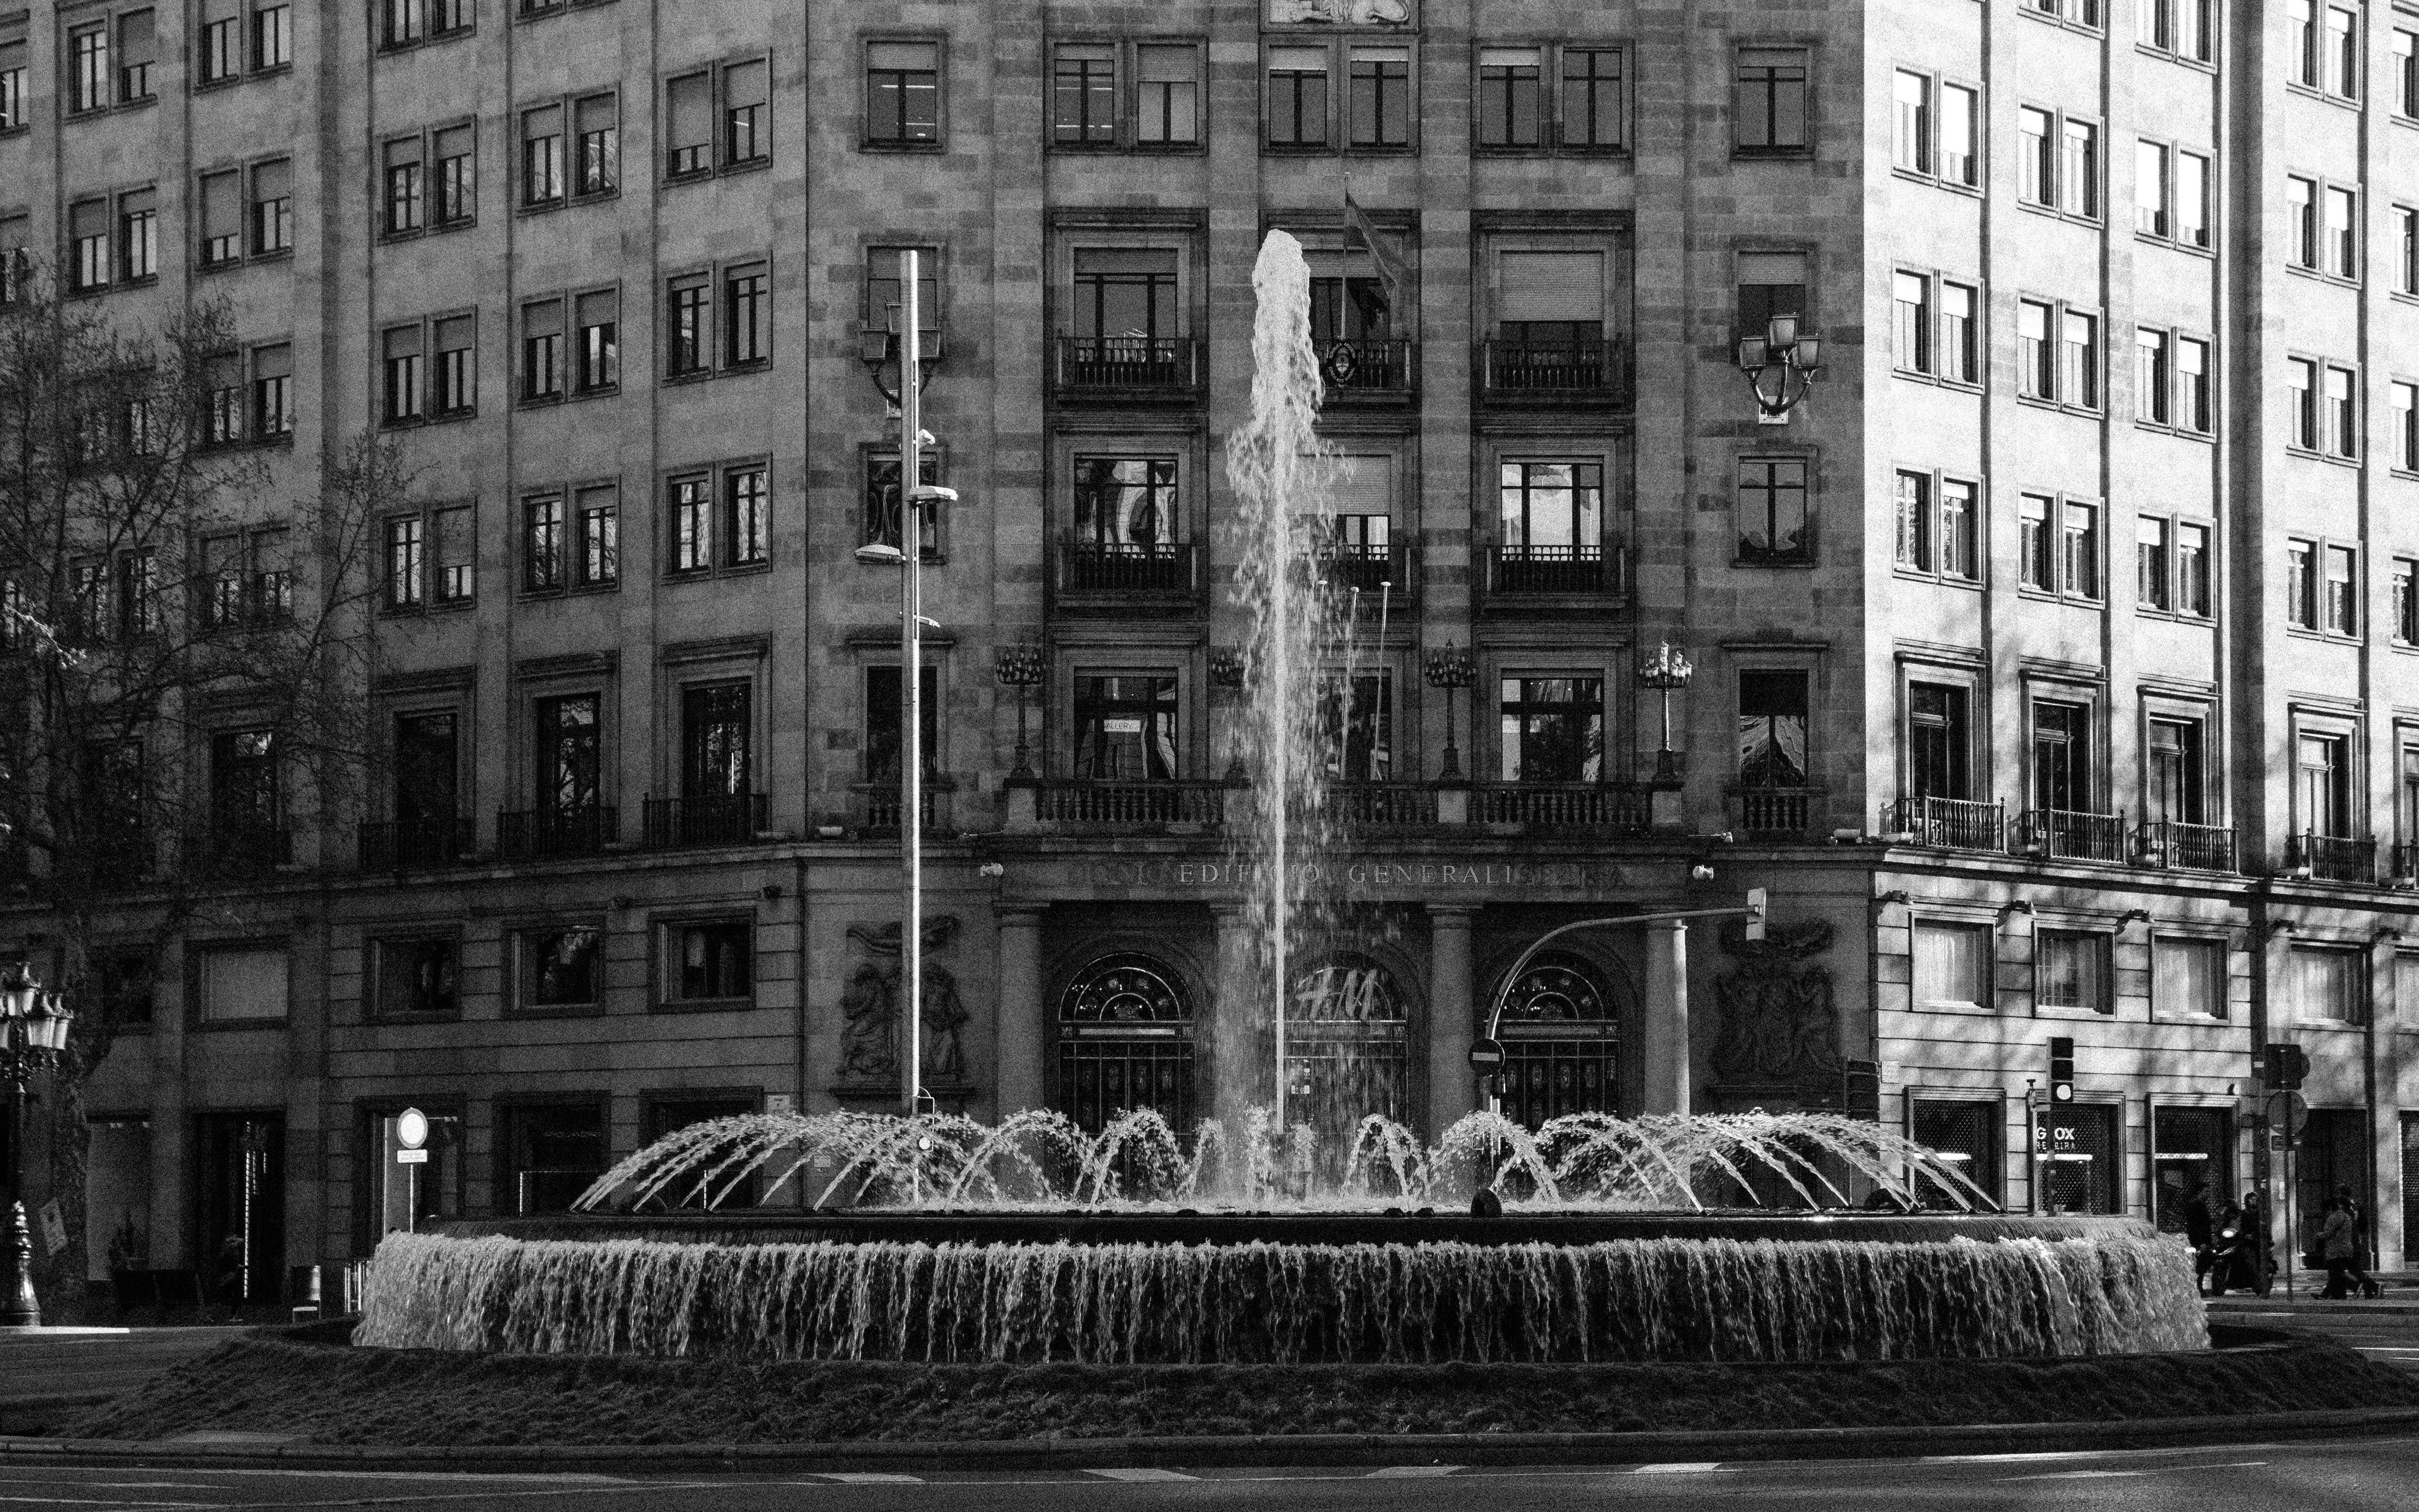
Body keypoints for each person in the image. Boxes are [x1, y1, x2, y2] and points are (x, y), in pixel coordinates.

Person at [2334, 1184, 2381, 1299]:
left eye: (2338, 1193)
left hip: (2347, 1242)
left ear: (2341, 1193)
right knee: (2354, 1269)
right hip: (2356, 1241)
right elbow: (2363, 1225)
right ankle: (2370, 1290)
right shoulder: (2356, 1205)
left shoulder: (2344, 1207)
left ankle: (2369, 1287)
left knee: (2340, 1269)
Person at [2318, 1196, 2356, 1299]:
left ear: (2330, 1208)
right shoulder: (2347, 1217)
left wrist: (2319, 1235)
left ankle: (2355, 1286)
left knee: (2336, 1275)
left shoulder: (2332, 1219)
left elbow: (2327, 1234)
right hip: (2346, 1249)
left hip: (2335, 1250)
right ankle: (2338, 1295)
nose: (2325, 1213)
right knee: (2337, 1274)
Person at [2183, 1180, 2216, 1295]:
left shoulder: (2198, 1204)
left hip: (2203, 1240)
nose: (2208, 1194)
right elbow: (2195, 1225)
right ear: (2200, 1192)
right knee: (2201, 1264)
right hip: (2200, 1241)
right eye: (2206, 1192)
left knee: (2203, 1263)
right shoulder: (2196, 1205)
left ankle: (2199, 1287)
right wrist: (2201, 1242)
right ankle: (2198, 1287)